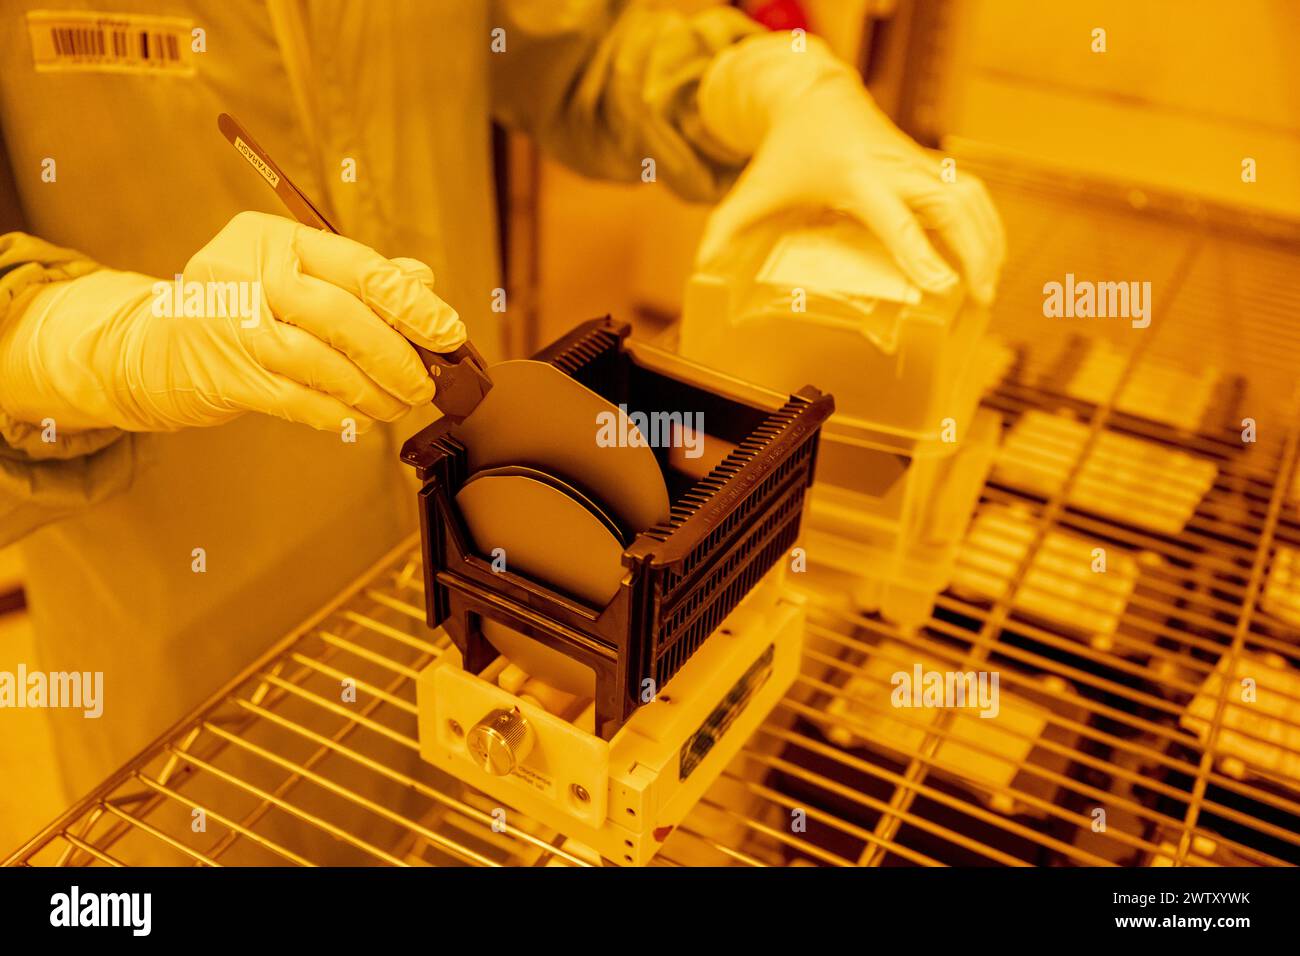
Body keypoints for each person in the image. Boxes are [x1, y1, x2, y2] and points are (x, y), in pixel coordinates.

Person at [0, 0, 1004, 811]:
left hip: (492, 557)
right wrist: (96, 343)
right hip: (188, 638)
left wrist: (764, 84)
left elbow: (580, 39)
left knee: (483, 803)